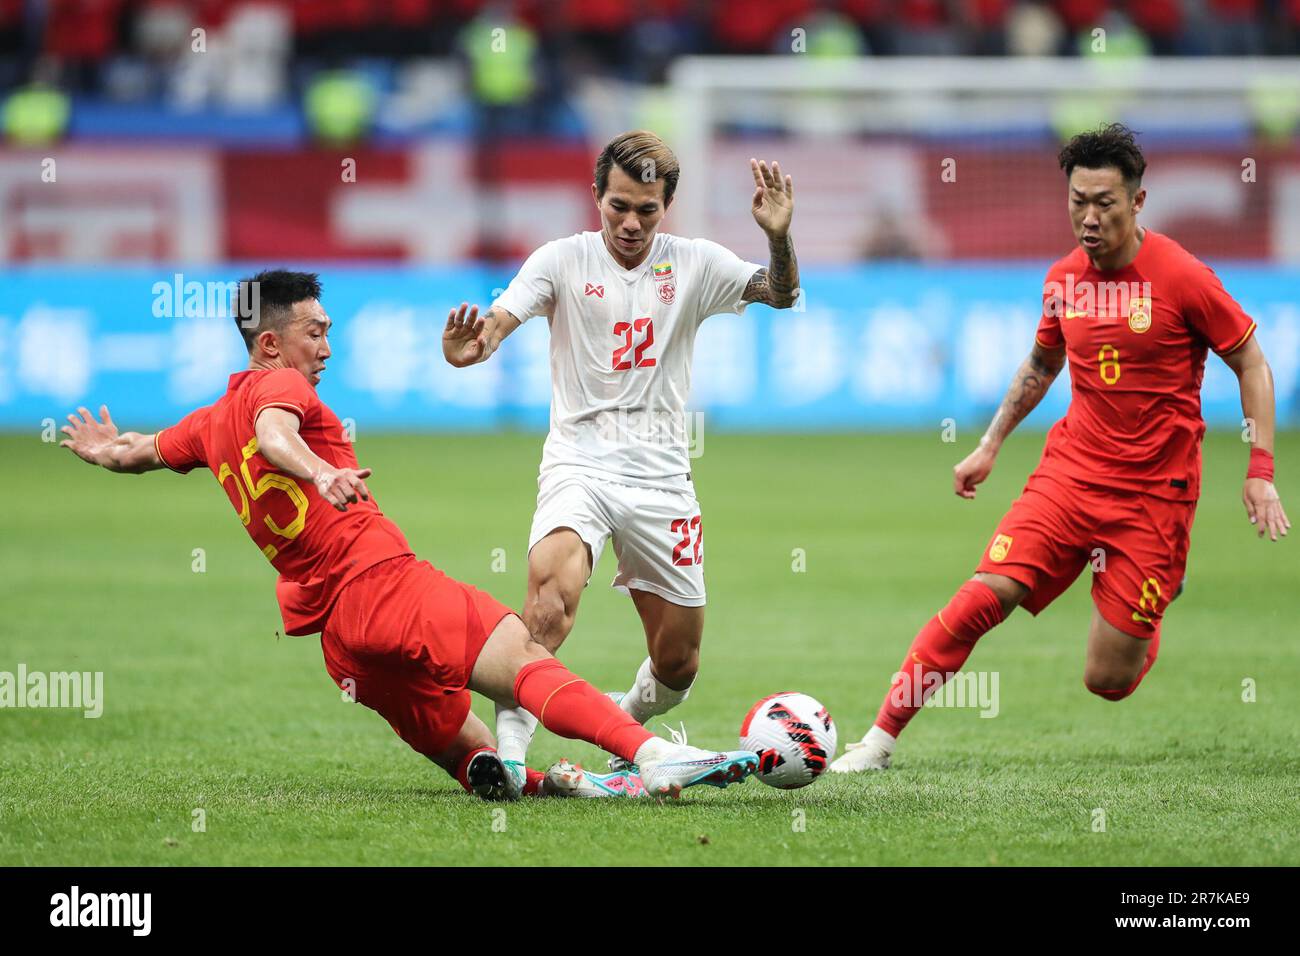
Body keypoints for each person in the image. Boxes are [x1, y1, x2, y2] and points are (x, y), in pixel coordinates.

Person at [60, 269, 758, 800]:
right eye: (314, 332)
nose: (326, 347)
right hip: (381, 582)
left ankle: (526, 779)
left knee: (470, 745)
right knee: (522, 658)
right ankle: (651, 757)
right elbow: (276, 435)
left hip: (340, 641)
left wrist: (101, 451)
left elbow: (139, 451)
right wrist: (320, 474)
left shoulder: (207, 423)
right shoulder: (283, 391)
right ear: (269, 343)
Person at [832, 124, 1290, 773]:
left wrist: (1260, 470)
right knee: (981, 598)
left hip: (1154, 495)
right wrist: (989, 445)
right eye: (1078, 201)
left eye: (1104, 201)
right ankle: (876, 742)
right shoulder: (1063, 280)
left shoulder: (1182, 276)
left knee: (1107, 680)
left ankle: (1160, 592)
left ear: (1138, 201)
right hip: (1069, 476)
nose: (1089, 216)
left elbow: (1251, 361)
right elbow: (1042, 364)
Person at [442, 129, 801, 775]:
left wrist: (777, 236)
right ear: (596, 196)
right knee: (551, 598)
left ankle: (626, 720)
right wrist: (476, 344)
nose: (630, 223)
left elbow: (779, 293)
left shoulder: (694, 263)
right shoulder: (561, 260)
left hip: (663, 476)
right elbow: (500, 319)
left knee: (678, 664)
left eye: (646, 209)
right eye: (618, 206)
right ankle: (511, 759)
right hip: (579, 459)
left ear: (666, 207)